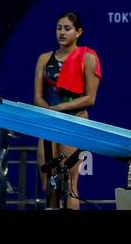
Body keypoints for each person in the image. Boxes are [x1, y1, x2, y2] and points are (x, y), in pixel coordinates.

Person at [33, 12, 101, 209]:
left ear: (78, 32)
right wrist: (51, 113)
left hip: (74, 122)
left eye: (67, 28)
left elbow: (90, 98)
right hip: (49, 124)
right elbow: (37, 97)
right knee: (49, 183)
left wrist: (60, 109)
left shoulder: (88, 58)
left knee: (69, 185)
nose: (62, 32)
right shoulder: (44, 59)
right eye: (58, 28)